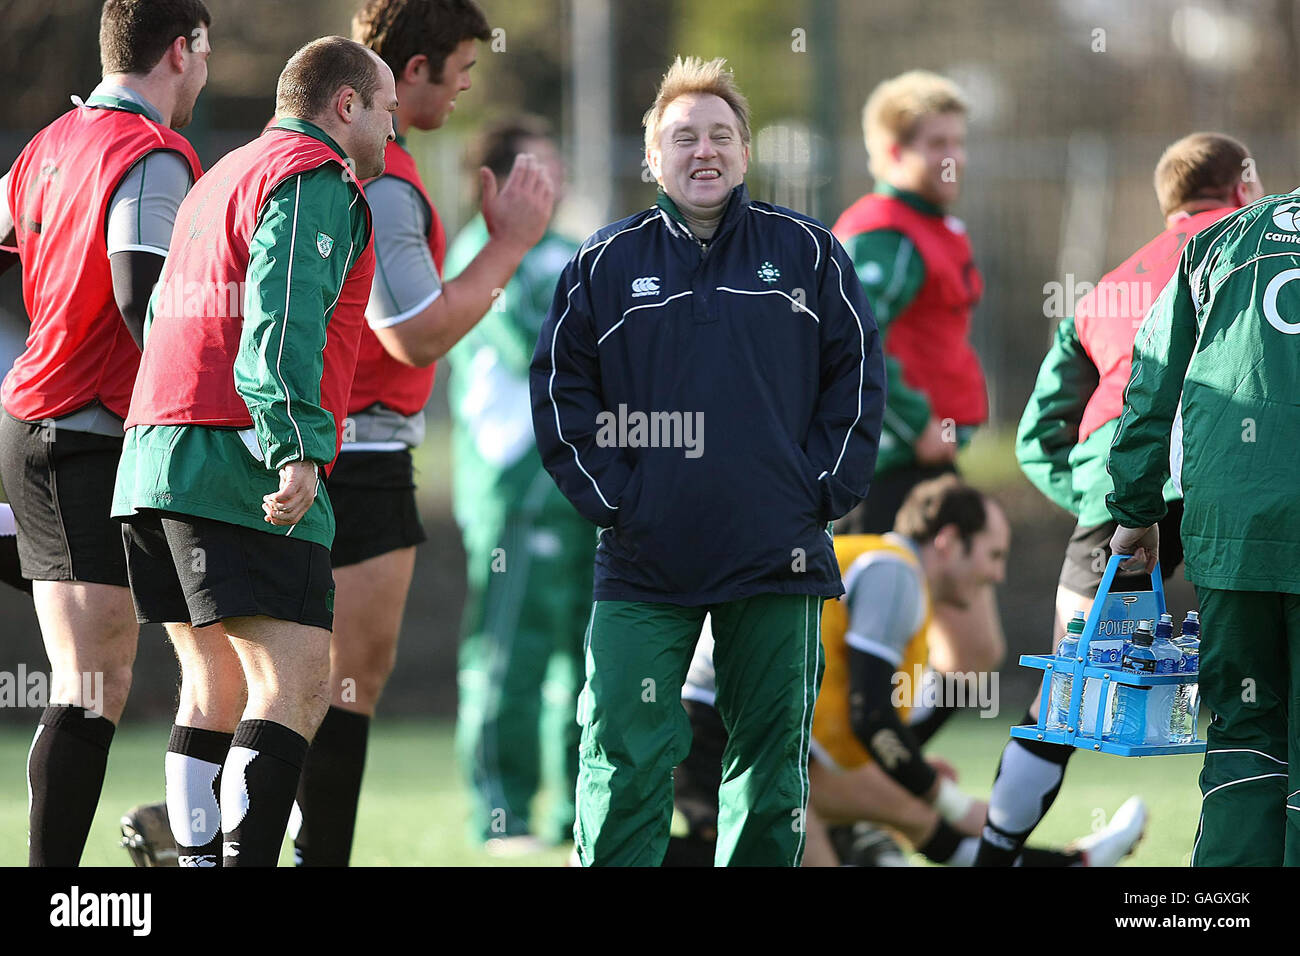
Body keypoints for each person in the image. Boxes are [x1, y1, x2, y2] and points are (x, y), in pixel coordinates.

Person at [530, 55, 885, 867]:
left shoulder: (810, 255)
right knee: (624, 757)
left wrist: (818, 492)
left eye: (720, 135)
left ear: (745, 152)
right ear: (653, 157)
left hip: (777, 553)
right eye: (682, 137)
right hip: (644, 558)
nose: (704, 151)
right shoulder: (603, 263)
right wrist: (619, 502)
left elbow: (859, 378)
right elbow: (560, 392)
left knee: (769, 773)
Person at [111, 35, 395, 868]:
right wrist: (295, 446)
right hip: (234, 451)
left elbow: (167, 309)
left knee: (214, 690)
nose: (389, 130)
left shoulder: (220, 175)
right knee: (297, 682)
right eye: (383, 112)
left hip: (152, 454)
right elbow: (283, 317)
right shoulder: (312, 175)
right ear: (346, 106)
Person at [284, 0, 551, 868]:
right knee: (343, 684)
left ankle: (212, 830)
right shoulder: (386, 172)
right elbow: (417, 332)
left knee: (292, 684)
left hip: (312, 446)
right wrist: (508, 245)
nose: (470, 81)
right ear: (415, 68)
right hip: (354, 453)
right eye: (461, 65)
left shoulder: (326, 157)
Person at [976, 132, 1262, 866]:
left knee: (1068, 695)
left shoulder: (1108, 287)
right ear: (1246, 185)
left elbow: (1039, 434)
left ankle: (994, 851)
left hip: (1118, 501)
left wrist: (1102, 497)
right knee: (1261, 682)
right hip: (1237, 484)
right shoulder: (1263, 255)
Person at [669, 477, 1146, 867]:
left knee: (908, 812)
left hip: (728, 725)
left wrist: (910, 777)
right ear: (948, 541)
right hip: (713, 729)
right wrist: (938, 793)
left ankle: (1072, 865)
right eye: (993, 555)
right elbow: (870, 716)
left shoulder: (894, 574)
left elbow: (856, 720)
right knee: (862, 831)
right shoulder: (895, 573)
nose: (998, 575)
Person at [0, 0, 210, 867]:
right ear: (180, 49)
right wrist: (207, 403)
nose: (206, 72)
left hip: (40, 429)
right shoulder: (152, 153)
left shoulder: (47, 142)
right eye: (205, 53)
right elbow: (138, 294)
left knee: (110, 677)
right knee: (92, 688)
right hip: (82, 436)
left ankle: (185, 833)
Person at [1105, 175, 1300, 868]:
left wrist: (1136, 506)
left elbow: (1150, 374)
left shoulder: (1221, 240)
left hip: (1234, 533)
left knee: (1246, 732)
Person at [832, 70, 1000, 739]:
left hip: (928, 473)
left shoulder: (933, 226)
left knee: (975, 652)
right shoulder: (885, 232)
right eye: (936, 142)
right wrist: (915, 419)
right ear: (893, 152)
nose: (953, 156)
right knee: (872, 656)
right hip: (888, 473)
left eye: (958, 140)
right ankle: (855, 803)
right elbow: (849, 333)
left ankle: (888, 786)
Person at [444, 116, 589, 853]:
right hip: (514, 484)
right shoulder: (481, 259)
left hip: (586, 483)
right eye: (536, 169)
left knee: (591, 653)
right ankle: (503, 813)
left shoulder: (575, 253)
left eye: (558, 168)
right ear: (494, 184)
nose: (553, 184)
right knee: (511, 653)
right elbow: (553, 354)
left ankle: (579, 810)